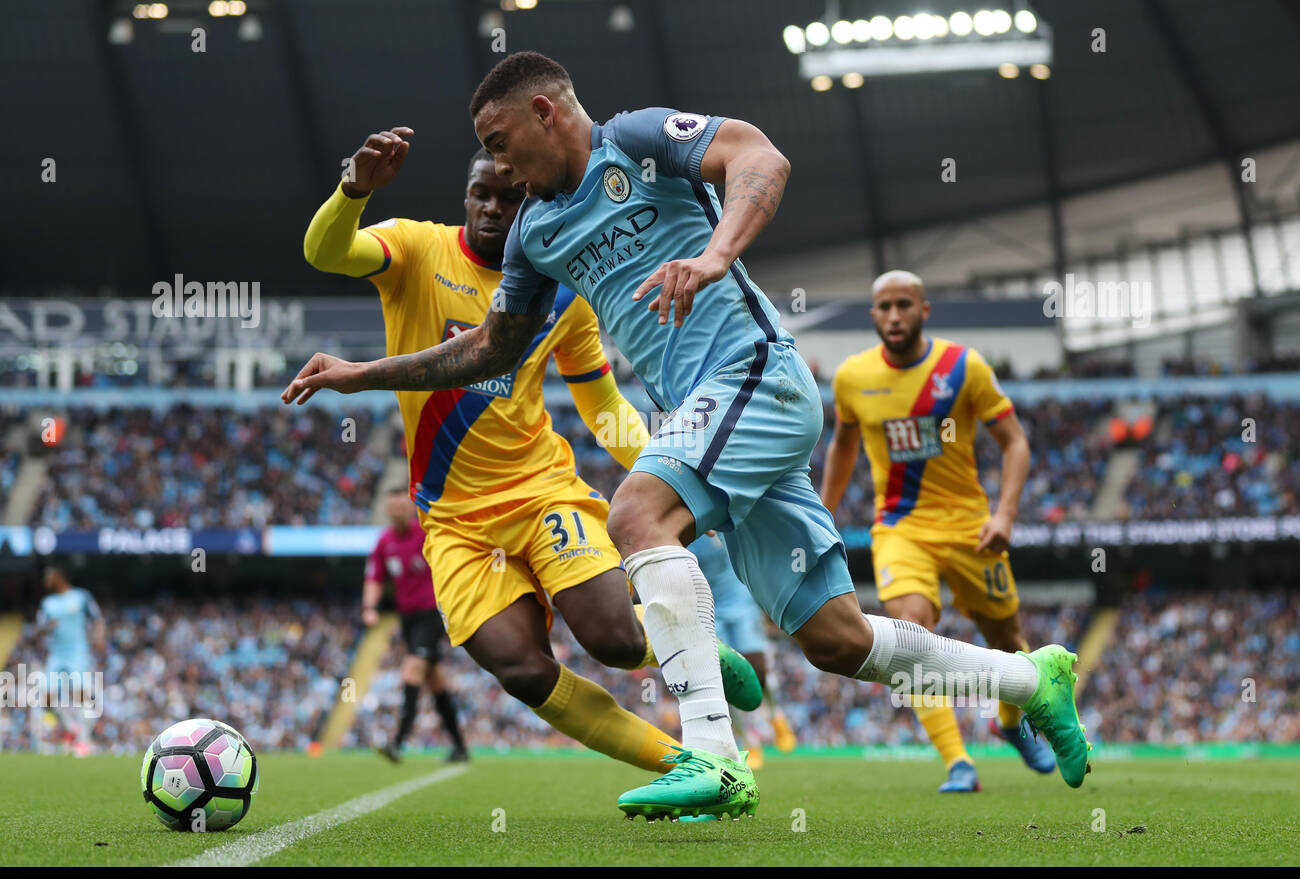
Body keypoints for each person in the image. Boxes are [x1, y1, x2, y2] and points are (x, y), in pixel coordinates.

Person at [284, 52, 1091, 819]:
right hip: (711, 418)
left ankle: (713, 754)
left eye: (502, 145)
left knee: (636, 514)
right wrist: (364, 374)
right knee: (834, 640)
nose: (502, 171)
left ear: (544, 111)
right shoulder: (535, 231)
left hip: (755, 374)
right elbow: (491, 347)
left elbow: (759, 157)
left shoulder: (634, 140)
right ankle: (1029, 678)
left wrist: (714, 254)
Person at [300, 134, 759, 778]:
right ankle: (684, 766)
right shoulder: (414, 248)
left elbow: (602, 408)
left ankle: (698, 650)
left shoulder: (562, 288)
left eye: (508, 199)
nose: (491, 209)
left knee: (617, 642)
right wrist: (355, 188)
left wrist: (672, 471)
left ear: (533, 203)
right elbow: (324, 252)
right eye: (479, 195)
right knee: (521, 668)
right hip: (455, 519)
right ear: (464, 196)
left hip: (541, 491)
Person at [822, 270, 1056, 792]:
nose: (894, 315)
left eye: (904, 305)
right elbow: (843, 443)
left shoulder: (963, 366)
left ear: (924, 310)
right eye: (884, 307)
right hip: (900, 529)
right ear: (873, 315)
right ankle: (958, 762)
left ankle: (1009, 724)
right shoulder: (852, 377)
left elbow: (1015, 442)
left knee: (1009, 640)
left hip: (973, 530)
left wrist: (1005, 515)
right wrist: (823, 512)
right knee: (911, 636)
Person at [364, 488, 468, 762]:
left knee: (411, 670)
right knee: (435, 682)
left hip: (431, 615)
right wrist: (369, 608)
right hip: (407, 620)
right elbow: (374, 578)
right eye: (393, 507)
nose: (398, 511)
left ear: (410, 509)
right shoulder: (384, 542)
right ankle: (460, 746)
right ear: (388, 510)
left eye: (402, 506)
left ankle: (398, 742)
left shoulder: (425, 533)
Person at [687, 533, 796, 770]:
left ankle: (776, 715)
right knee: (725, 679)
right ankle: (749, 740)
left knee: (758, 670)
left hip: (741, 602)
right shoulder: (683, 526)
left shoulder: (725, 511)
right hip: (708, 606)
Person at [31, 566, 103, 755]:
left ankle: (84, 741)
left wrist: (99, 637)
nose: (45, 581)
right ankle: (70, 727)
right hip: (56, 653)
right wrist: (47, 627)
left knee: (80, 694)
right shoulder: (48, 602)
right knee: (46, 699)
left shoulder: (81, 597)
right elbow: (39, 629)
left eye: (48, 576)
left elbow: (97, 618)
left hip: (77, 651)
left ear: (59, 576)